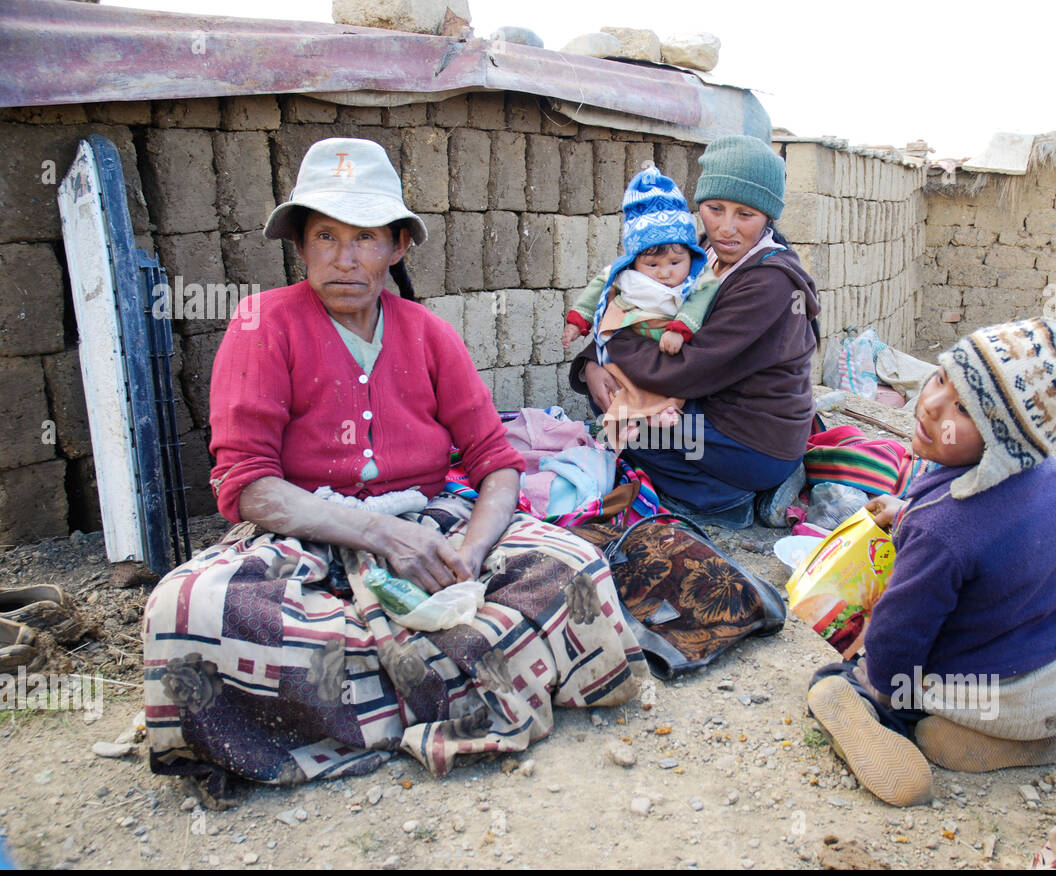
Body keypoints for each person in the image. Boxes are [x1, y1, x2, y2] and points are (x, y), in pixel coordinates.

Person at [142, 138, 647, 793]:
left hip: (432, 519)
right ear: (300, 243)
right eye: (325, 235)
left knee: (575, 567)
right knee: (185, 609)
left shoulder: (429, 333)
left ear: (397, 246)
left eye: (365, 238)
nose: (344, 258)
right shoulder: (259, 325)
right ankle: (441, 688)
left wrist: (466, 551)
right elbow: (248, 487)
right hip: (306, 524)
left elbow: (496, 463)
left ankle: (350, 705)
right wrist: (381, 536)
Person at [806, 319, 1056, 806]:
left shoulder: (942, 529)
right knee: (945, 712)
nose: (932, 404)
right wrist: (906, 513)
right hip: (1054, 674)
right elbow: (991, 539)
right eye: (942, 378)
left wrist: (872, 678)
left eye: (965, 409)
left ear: (1002, 442)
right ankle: (1024, 735)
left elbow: (899, 637)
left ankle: (901, 733)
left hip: (989, 691)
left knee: (837, 682)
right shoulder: (1041, 471)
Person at [569, 135, 821, 529]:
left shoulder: (770, 286)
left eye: (746, 214)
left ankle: (726, 501)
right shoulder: (702, 253)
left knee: (630, 433)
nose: (726, 228)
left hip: (754, 438)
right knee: (616, 403)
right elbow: (637, 302)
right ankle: (719, 483)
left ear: (768, 216)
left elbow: (686, 369)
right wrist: (592, 364)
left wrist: (611, 343)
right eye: (714, 209)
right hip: (710, 407)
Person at [562, 166, 721, 446]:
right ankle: (626, 421)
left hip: (666, 338)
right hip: (629, 327)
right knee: (620, 378)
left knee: (672, 378)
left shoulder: (699, 277)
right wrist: (578, 321)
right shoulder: (622, 275)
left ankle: (660, 413)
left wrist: (681, 328)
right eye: (652, 264)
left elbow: (701, 298)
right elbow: (597, 290)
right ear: (635, 260)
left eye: (675, 263)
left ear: (690, 255)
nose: (664, 273)